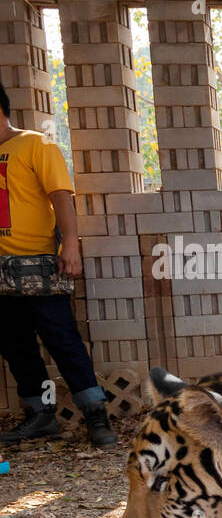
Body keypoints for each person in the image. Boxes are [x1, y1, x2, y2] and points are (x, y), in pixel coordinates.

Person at [0, 81, 117, 448]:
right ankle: (41, 416)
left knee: (62, 339)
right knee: (14, 343)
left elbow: (60, 195)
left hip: (38, 265)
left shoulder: (37, 143)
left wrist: (71, 244)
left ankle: (97, 416)